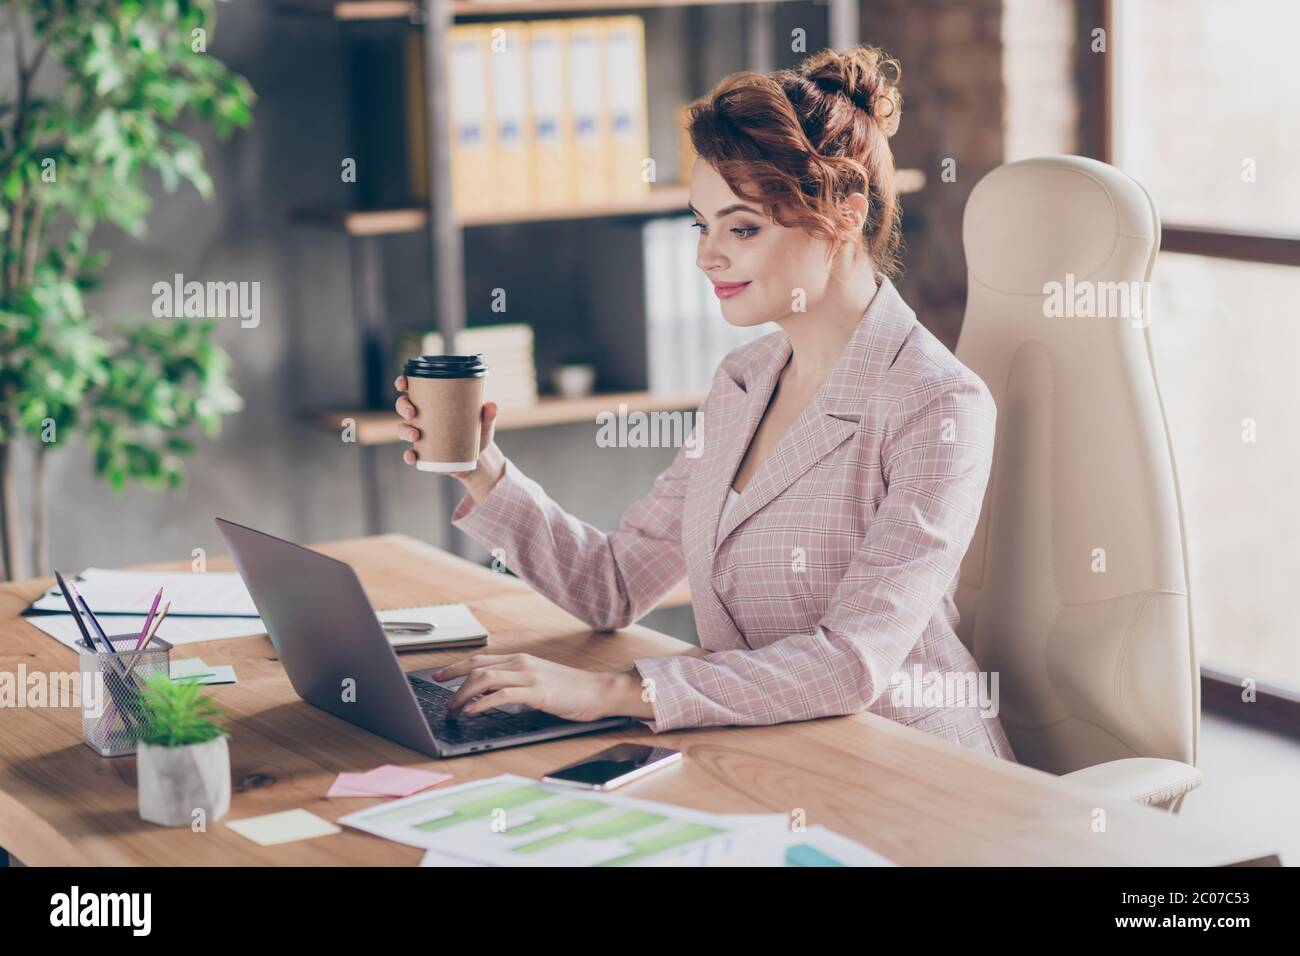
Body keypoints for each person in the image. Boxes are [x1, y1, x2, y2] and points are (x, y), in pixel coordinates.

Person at [393, 45, 1016, 761]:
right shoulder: (744, 381)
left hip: (914, 773)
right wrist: (481, 466)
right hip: (768, 760)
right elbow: (613, 586)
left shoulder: (937, 404)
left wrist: (611, 692)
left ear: (845, 217)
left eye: (741, 227)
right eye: (701, 224)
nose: (706, 256)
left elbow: (852, 664)